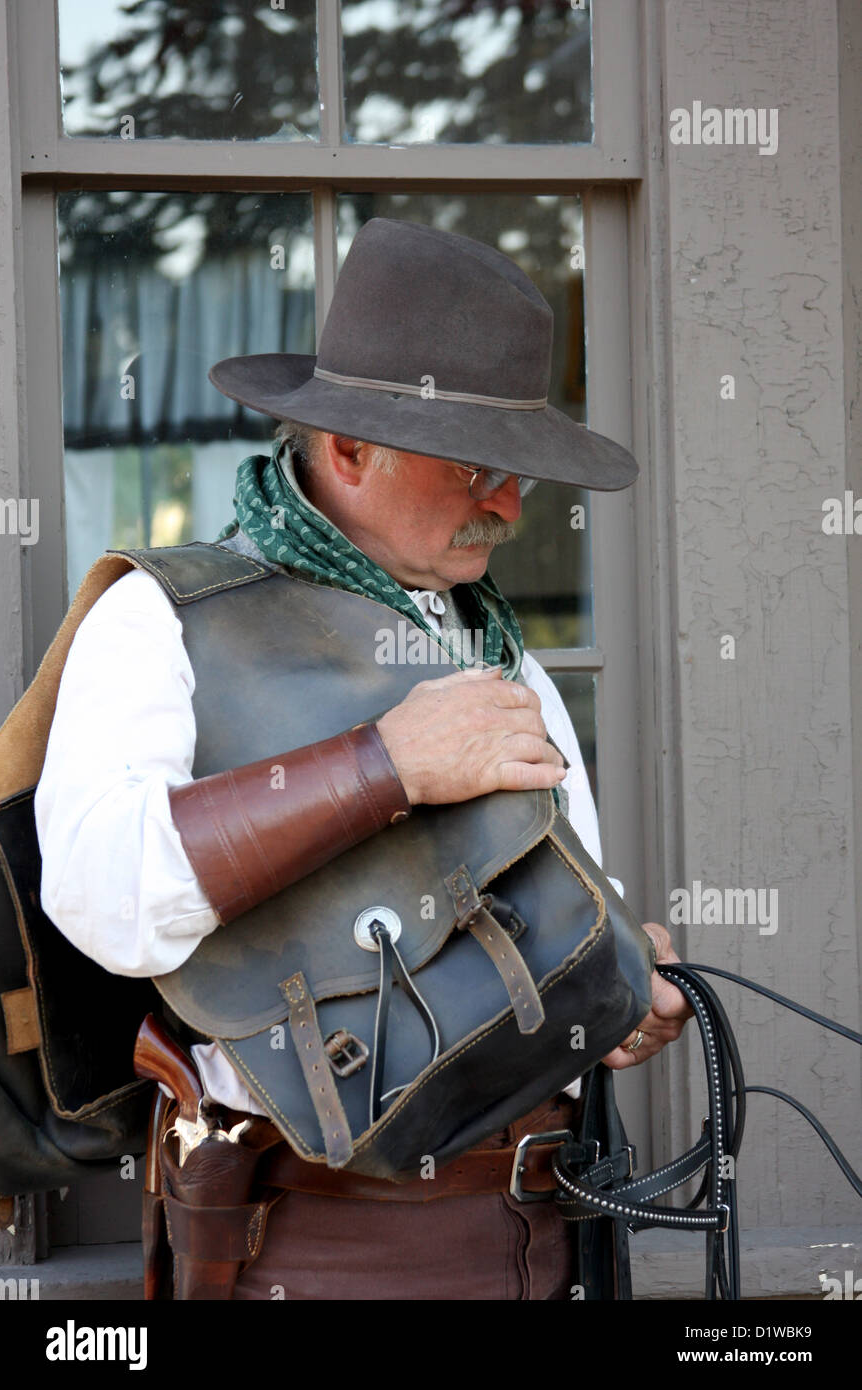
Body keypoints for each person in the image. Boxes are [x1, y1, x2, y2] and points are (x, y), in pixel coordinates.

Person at [35, 217, 691, 1300]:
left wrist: (620, 980)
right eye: (480, 466)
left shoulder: (493, 648)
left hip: (545, 1223)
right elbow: (104, 893)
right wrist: (379, 766)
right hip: (312, 1245)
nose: (511, 506)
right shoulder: (161, 616)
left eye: (519, 472)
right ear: (347, 450)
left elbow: (541, 914)